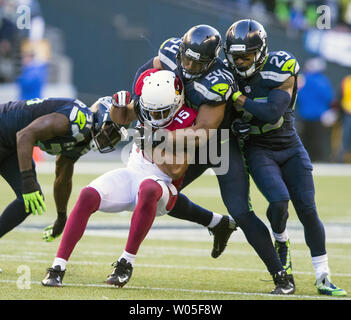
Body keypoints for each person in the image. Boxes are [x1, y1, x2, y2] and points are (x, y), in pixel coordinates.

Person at [123, 24, 294, 295]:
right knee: (162, 197)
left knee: (240, 210)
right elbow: (145, 72)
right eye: (186, 58)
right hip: (185, 135)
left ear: (212, 60)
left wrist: (156, 133)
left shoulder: (219, 79)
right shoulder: (170, 50)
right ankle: (216, 224)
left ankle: (281, 276)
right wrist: (137, 100)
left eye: (197, 62)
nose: (189, 65)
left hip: (220, 143)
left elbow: (203, 133)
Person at [223, 18, 346, 296]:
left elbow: (272, 112)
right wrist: (233, 122)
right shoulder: (227, 76)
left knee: (307, 209)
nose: (241, 62)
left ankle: (323, 275)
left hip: (289, 147)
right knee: (278, 202)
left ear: (262, 51)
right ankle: (281, 241)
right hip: (258, 148)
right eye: (236, 57)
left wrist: (238, 100)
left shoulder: (280, 66)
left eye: (246, 56)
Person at [41, 69, 196, 287]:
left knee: (149, 187)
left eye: (161, 112)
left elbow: (177, 170)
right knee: (87, 195)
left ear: (177, 102)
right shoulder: (147, 106)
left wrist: (152, 142)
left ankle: (125, 263)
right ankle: (58, 266)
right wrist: (117, 104)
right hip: (133, 175)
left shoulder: (187, 119)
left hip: (163, 187)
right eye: (151, 112)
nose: (155, 117)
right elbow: (121, 117)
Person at [0, 96, 124, 261]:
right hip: (7, 132)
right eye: (109, 130)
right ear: (101, 118)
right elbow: (26, 134)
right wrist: (28, 180)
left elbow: (63, 177)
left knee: (28, 200)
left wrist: (61, 216)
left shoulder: (83, 138)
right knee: (28, 192)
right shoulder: (77, 120)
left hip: (11, 143)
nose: (109, 138)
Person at [296, 57, 335, 162]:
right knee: (317, 141)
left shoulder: (302, 79)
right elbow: (329, 97)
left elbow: (297, 97)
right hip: (319, 115)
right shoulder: (323, 81)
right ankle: (319, 161)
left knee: (305, 140)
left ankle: (305, 160)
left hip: (304, 115)